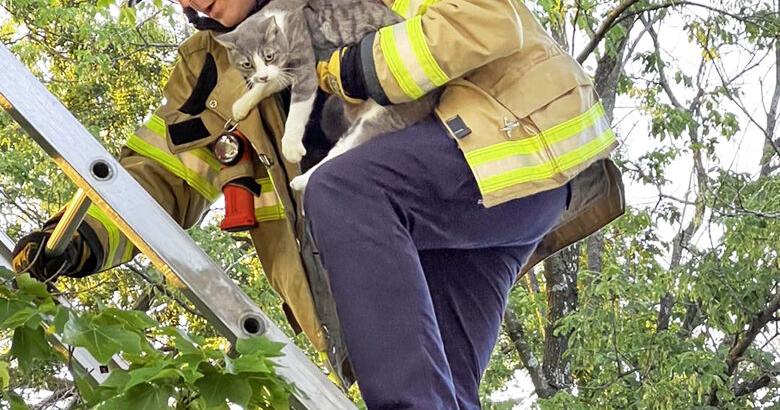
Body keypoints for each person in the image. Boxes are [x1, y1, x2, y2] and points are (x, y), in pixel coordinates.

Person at [12, 0, 625, 408]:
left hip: (511, 149)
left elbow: (490, 16)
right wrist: (84, 239)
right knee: (445, 388)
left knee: (346, 188)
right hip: (438, 228)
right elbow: (166, 174)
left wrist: (368, 65)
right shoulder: (213, 67)